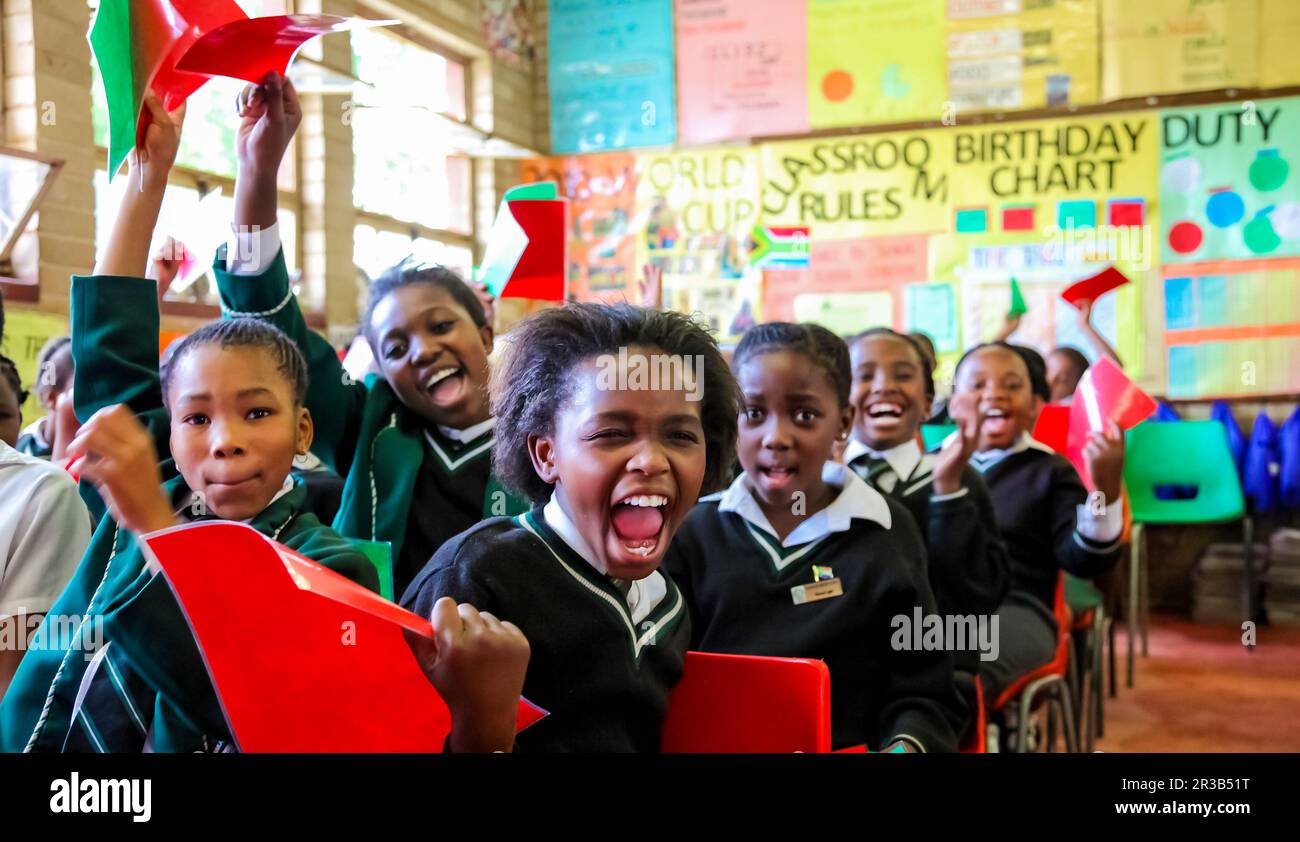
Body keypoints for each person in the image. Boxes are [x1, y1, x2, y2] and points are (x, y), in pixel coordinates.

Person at [211, 72, 526, 596]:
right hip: (384, 660)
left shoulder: (547, 431)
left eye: (442, 325)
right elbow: (266, 329)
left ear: (486, 332)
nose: (424, 350)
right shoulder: (371, 428)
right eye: (396, 348)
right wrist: (257, 172)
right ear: (378, 366)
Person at [404, 303, 740, 751]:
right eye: (611, 434)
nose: (651, 461)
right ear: (547, 455)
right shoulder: (473, 580)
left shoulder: (667, 606)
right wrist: (482, 723)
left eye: (680, 436)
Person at [665, 323, 961, 752]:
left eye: (804, 415)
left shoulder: (885, 531)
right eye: (754, 413)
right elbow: (662, 676)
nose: (776, 437)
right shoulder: (694, 530)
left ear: (843, 423)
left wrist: (906, 744)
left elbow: (923, 690)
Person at [949, 342, 1124, 737]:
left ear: (1036, 406)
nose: (994, 393)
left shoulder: (1049, 470)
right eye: (977, 385)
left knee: (956, 669)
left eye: (1012, 385)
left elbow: (1085, 559)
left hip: (1018, 609)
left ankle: (996, 737)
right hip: (941, 610)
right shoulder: (932, 467)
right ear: (952, 402)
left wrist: (1105, 490)